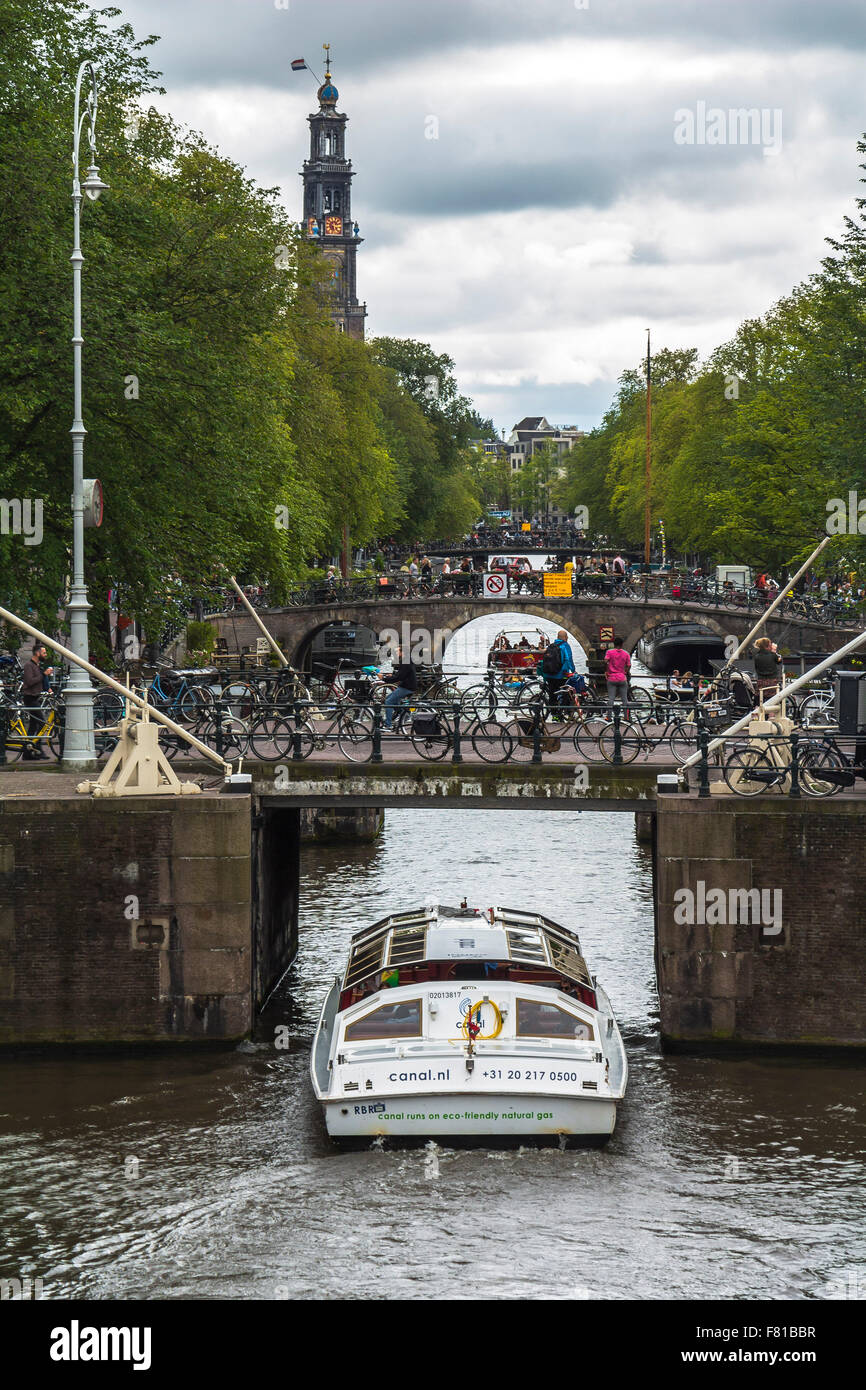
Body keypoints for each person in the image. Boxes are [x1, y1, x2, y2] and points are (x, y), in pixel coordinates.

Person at [21, 642, 54, 760]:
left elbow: (39, 680)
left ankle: (28, 753)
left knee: (33, 726)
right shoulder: (29, 666)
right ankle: (38, 749)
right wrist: (43, 674)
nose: (45, 655)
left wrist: (48, 688)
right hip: (30, 698)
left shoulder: (36, 665)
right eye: (44, 653)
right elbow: (30, 681)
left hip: (35, 698)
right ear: (37, 653)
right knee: (42, 724)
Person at [539, 629, 576, 712]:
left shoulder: (551, 646)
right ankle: (564, 711)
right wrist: (573, 671)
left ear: (557, 637)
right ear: (565, 638)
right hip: (560, 675)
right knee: (566, 692)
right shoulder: (565, 646)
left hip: (549, 674)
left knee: (552, 694)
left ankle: (554, 714)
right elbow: (568, 659)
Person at [381, 648, 418, 729]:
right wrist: (392, 675)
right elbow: (401, 674)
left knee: (388, 701)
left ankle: (388, 725)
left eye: (398, 651)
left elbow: (399, 677)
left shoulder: (406, 662)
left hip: (408, 687)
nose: (396, 652)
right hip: (407, 685)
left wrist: (384, 679)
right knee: (390, 699)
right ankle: (405, 715)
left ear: (402, 652)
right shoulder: (406, 660)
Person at [603, 637, 631, 712]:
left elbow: (605, 661)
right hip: (622, 678)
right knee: (624, 699)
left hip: (612, 678)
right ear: (622, 645)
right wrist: (625, 672)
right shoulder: (626, 653)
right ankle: (626, 717)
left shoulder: (609, 652)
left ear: (614, 644)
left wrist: (607, 671)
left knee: (611, 698)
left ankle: (609, 717)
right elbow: (629, 665)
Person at [753, 636, 782, 702]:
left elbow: (756, 667)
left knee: (759, 699)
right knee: (772, 700)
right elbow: (779, 661)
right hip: (772, 681)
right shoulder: (772, 655)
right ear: (767, 646)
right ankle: (771, 712)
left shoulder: (757, 656)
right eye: (770, 644)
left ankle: (757, 710)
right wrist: (774, 651)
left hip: (761, 681)